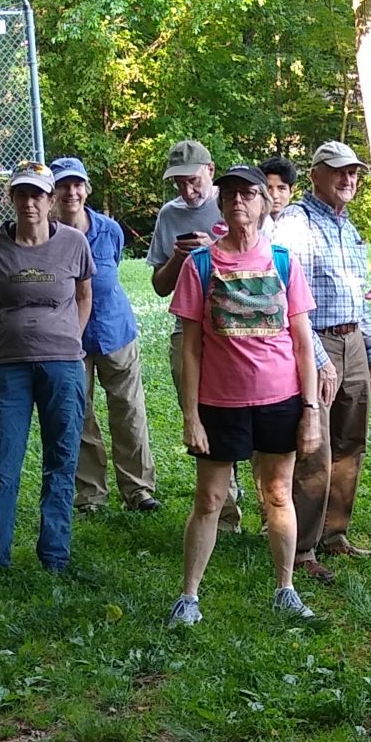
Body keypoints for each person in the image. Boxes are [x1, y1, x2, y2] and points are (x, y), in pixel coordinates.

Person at [167, 163, 323, 625]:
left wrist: (310, 409)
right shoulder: (200, 265)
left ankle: (285, 588)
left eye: (249, 193)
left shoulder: (282, 262)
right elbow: (191, 348)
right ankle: (189, 598)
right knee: (210, 500)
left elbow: (301, 343)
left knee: (277, 495)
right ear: (220, 202)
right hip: (221, 404)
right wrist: (191, 415)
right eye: (231, 192)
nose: (239, 200)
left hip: (280, 399)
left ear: (263, 202)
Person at [0, 161, 93, 576]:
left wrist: (69, 339)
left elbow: (83, 296)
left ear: (51, 199)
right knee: (1, 459)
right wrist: (2, 332)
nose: (29, 202)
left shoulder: (74, 242)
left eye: (37, 195)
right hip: (8, 365)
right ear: (12, 199)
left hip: (63, 365)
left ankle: (55, 554)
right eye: (22, 194)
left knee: (61, 457)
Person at [281, 140, 371, 577]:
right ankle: (302, 549)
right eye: (339, 171)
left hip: (354, 343)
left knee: (351, 442)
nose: (349, 179)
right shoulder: (296, 222)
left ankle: (335, 533)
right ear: (316, 175)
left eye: (355, 173)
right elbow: (291, 299)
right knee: (315, 449)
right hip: (316, 344)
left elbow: (357, 296)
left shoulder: (348, 227)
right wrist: (320, 359)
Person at [48, 156, 159, 514]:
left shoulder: (109, 229)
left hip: (115, 331)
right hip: (68, 341)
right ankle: (91, 494)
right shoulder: (44, 235)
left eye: (77, 184)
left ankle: (138, 489)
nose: (71, 192)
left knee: (129, 411)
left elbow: (110, 271)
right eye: (63, 185)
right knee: (78, 415)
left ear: (87, 189)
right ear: (52, 192)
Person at [148, 139, 242, 532]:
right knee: (204, 419)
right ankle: (223, 514)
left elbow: (258, 266)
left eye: (193, 181)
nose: (187, 191)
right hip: (188, 332)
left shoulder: (237, 203)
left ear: (210, 170)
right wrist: (178, 258)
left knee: (247, 414)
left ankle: (273, 512)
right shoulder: (169, 216)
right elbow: (159, 285)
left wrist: (212, 251)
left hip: (238, 330)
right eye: (179, 184)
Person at [260, 157, 298, 233]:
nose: (274, 195)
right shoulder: (251, 225)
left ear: (292, 191)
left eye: (281, 188)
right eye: (269, 188)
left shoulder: (302, 225)